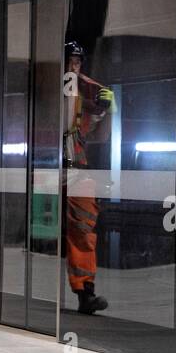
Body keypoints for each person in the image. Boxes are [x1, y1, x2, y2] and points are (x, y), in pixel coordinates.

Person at [63, 40, 114, 315]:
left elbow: (99, 136)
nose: (73, 66)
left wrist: (106, 109)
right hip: (48, 166)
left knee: (83, 228)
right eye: (70, 60)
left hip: (77, 167)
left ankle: (86, 294)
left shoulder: (87, 93)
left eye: (77, 61)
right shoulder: (54, 91)